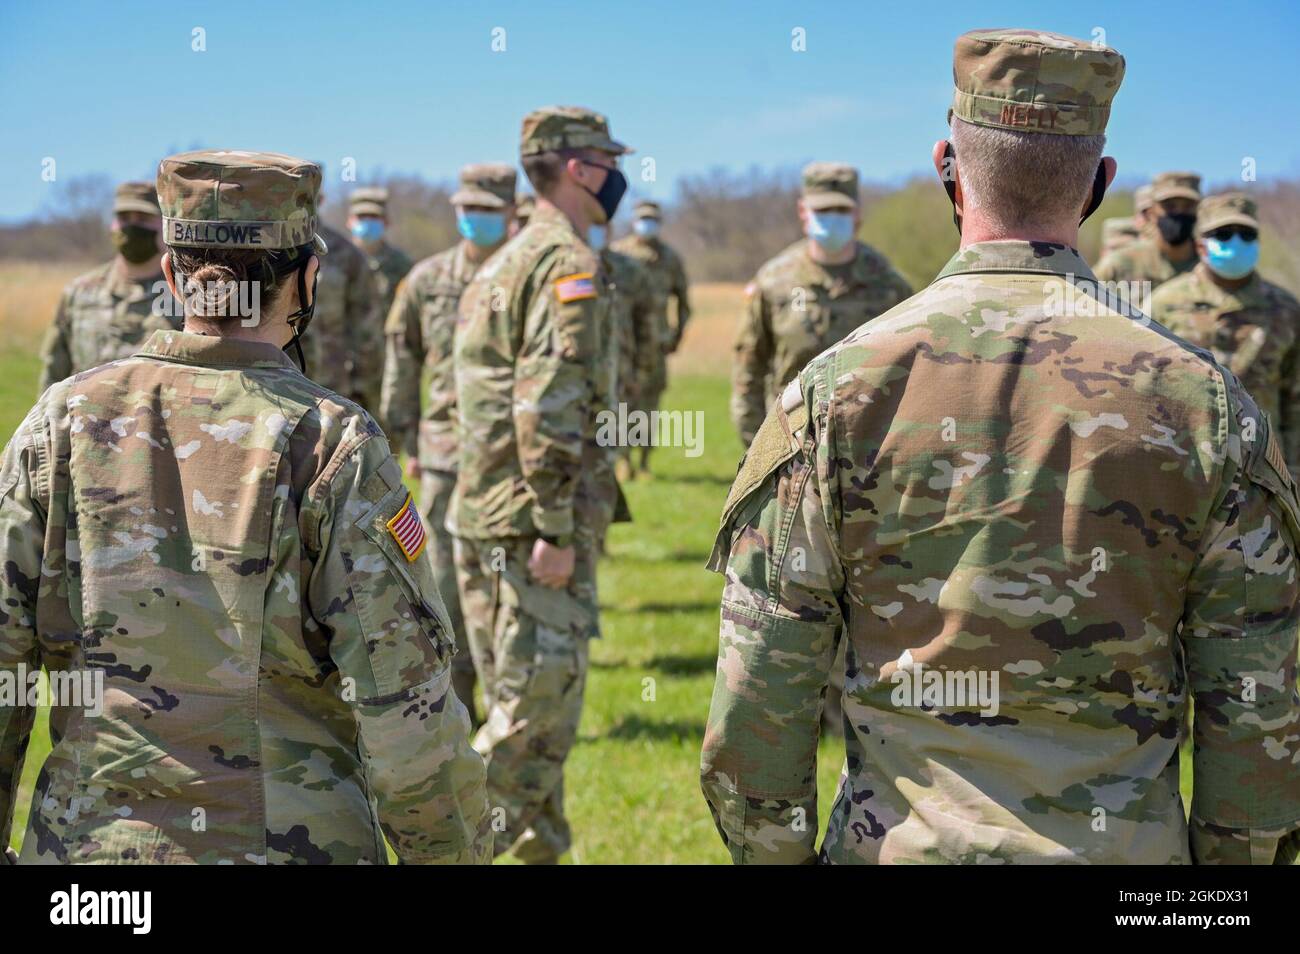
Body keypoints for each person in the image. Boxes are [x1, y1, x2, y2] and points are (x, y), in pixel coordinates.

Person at [701, 29, 1300, 865]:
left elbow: (760, 700)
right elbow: (1258, 710)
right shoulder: (1204, 404)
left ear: (949, 165)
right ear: (1099, 183)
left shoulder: (833, 394)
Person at [0, 150, 490, 865]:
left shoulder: (60, 422)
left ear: (171, 276)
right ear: (307, 280)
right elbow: (406, 717)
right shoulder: (334, 444)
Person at [452, 105, 628, 864]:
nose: (620, 177)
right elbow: (547, 403)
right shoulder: (566, 264)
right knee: (531, 729)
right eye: (610, 162)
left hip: (490, 520)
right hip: (531, 532)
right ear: (581, 170)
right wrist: (556, 525)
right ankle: (445, 848)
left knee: (523, 721)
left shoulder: (506, 260)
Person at [381, 162, 517, 719]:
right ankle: (456, 704)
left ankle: (512, 699)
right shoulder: (426, 280)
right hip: (442, 457)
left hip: (512, 459)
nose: (474, 218)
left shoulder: (527, 277)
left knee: (506, 585)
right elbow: (402, 359)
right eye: (467, 207)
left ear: (510, 212)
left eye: (487, 209)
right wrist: (401, 434)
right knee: (439, 588)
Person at [729, 162, 912, 446]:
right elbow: (749, 366)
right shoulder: (773, 281)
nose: (832, 219)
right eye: (823, 211)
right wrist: (757, 445)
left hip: (869, 446)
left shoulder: (889, 285)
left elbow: (913, 371)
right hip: (792, 444)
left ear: (857, 214)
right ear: (803, 212)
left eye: (841, 211)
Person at [1152, 192, 1300, 479]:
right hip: (1184, 466)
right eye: (1223, 234)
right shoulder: (1164, 303)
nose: (1236, 242)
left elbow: (1295, 400)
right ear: (1200, 244)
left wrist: (1293, 472)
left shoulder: (1286, 308)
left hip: (1262, 472)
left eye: (1246, 234)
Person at [38, 181, 180, 392]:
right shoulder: (79, 293)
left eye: (143, 219)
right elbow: (53, 377)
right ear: (112, 225)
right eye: (123, 218)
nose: (132, 227)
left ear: (165, 224)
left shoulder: (186, 296)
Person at [611, 200, 691, 476]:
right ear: (634, 221)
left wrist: (676, 335)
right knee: (621, 401)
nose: (647, 224)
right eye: (642, 218)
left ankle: (644, 460)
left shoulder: (669, 259)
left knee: (649, 403)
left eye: (652, 219)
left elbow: (683, 301)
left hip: (656, 342)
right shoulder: (619, 253)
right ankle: (623, 459)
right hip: (623, 342)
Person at [308, 181, 383, 412]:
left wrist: (363, 387)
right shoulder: (262, 247)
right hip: (273, 385)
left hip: (330, 388)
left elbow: (366, 328)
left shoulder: (346, 254)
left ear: (320, 201)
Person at [1095, 171, 1201, 291]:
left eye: (1187, 206)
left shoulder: (1210, 269)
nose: (1179, 213)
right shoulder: (1120, 264)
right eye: (1169, 206)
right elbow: (1080, 302)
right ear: (1152, 213)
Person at [349, 186, 413, 321]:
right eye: (361, 216)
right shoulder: (335, 260)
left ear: (386, 221)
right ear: (350, 221)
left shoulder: (402, 265)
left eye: (373, 217)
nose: (367, 222)